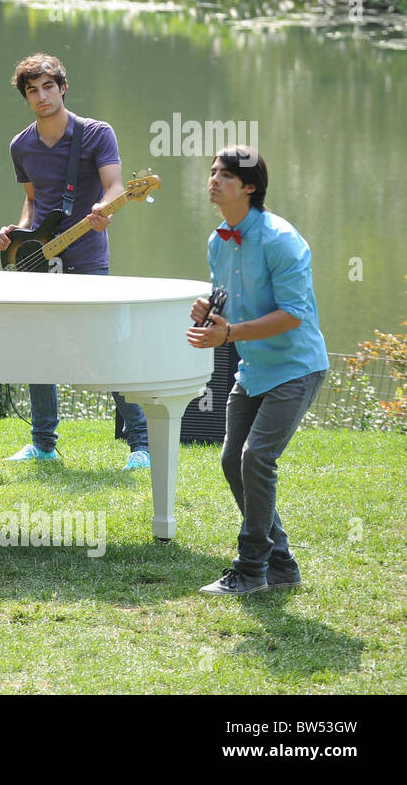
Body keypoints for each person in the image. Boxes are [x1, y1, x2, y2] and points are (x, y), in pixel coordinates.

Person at [0, 53, 150, 469]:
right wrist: (15, 233)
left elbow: (116, 184)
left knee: (107, 348)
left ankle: (141, 446)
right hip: (37, 261)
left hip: (86, 255)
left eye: (48, 87)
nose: (41, 97)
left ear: (63, 88)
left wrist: (106, 209)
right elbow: (31, 202)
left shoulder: (97, 133)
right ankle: (44, 444)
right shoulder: (21, 145)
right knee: (38, 349)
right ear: (26, 97)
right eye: (32, 91)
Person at [187, 146, 328, 595]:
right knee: (233, 459)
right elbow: (229, 298)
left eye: (225, 175)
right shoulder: (218, 240)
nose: (213, 180)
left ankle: (250, 571)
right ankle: (281, 564)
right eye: (212, 172)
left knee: (257, 458)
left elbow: (293, 315)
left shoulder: (281, 240)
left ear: (250, 187)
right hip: (254, 367)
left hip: (295, 366)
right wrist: (210, 311)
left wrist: (228, 335)